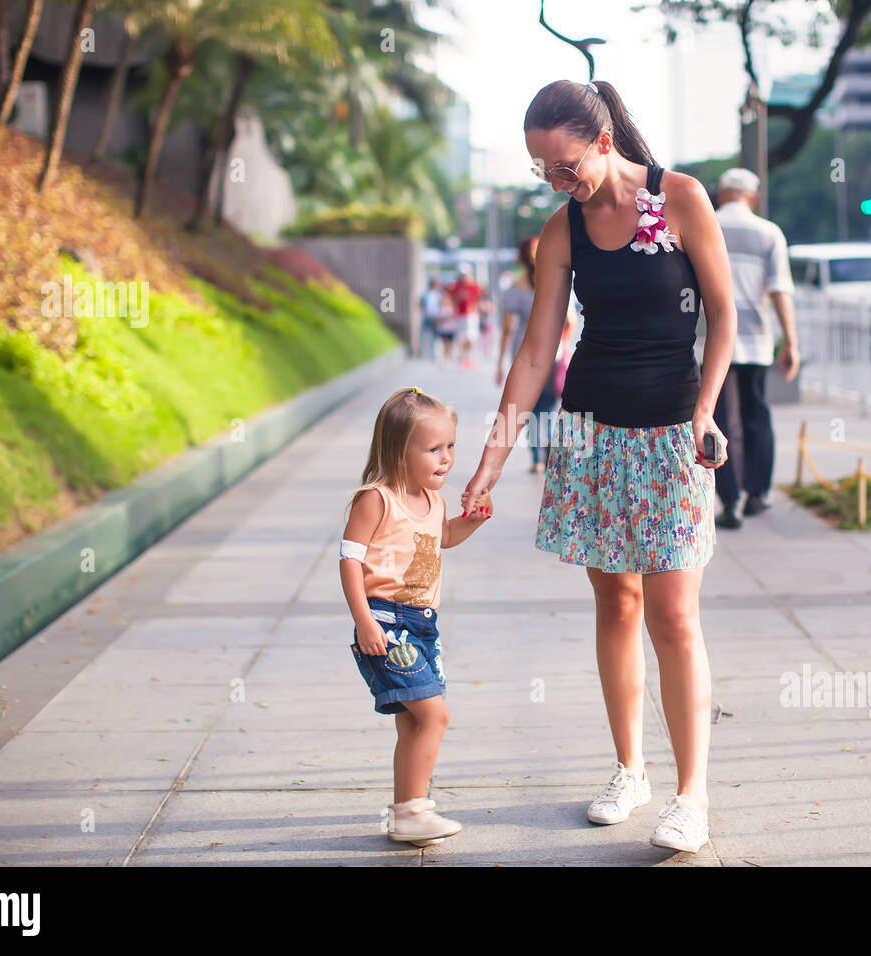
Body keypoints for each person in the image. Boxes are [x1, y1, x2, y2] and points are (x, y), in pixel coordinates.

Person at [461, 78, 737, 854]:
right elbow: (534, 351)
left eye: (563, 165)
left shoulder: (680, 199)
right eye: (541, 172)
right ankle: (629, 770)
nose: (556, 182)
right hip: (587, 434)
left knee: (674, 615)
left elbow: (724, 316)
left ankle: (693, 795)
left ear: (603, 141)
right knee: (615, 604)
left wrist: (707, 408)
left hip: (671, 430)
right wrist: (490, 462)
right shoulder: (562, 232)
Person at [338, 386, 493, 846]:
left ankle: (404, 810)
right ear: (397, 450)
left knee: (413, 721)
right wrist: (365, 620)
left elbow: (442, 538)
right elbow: (349, 560)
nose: (445, 459)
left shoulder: (433, 499)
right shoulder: (376, 499)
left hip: (423, 624)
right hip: (385, 621)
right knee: (435, 715)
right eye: (433, 449)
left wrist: (473, 521)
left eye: (450, 448)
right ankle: (413, 810)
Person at [694, 168, 800, 529]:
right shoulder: (769, 233)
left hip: (709, 340)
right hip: (755, 338)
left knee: (715, 416)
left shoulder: (704, 223)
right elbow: (779, 290)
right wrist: (791, 342)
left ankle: (729, 499)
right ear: (752, 197)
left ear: (721, 194)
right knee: (756, 412)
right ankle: (758, 493)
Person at [496, 236, 578, 473]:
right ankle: (551, 451)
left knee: (530, 410)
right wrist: (561, 343)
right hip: (552, 352)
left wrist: (501, 363)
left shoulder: (514, 289)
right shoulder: (556, 282)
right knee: (551, 407)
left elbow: (508, 329)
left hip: (523, 355)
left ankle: (537, 459)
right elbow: (570, 320)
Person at [445, 263, 484, 369]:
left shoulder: (473, 286)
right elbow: (451, 299)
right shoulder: (455, 287)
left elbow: (478, 300)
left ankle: (468, 358)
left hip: (471, 315)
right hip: (460, 316)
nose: (463, 277)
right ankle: (464, 359)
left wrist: (480, 313)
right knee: (461, 337)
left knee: (470, 337)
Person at [418, 276, 448, 362]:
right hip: (427, 316)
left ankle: (434, 354)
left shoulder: (439, 294)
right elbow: (421, 303)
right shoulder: (425, 294)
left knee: (436, 336)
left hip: (436, 317)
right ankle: (424, 353)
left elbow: (441, 305)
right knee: (425, 335)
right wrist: (423, 312)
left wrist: (440, 315)